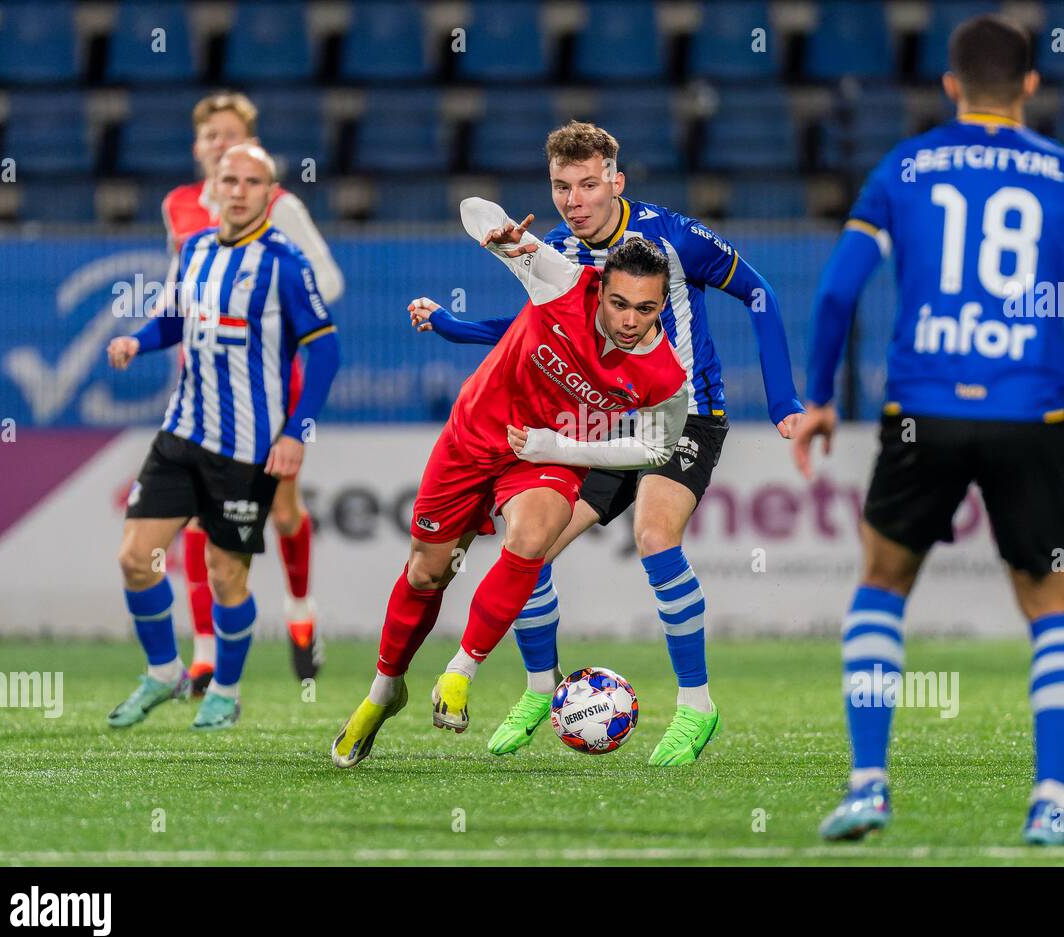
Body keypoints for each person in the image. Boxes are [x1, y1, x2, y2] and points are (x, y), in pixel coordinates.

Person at [792, 14, 1064, 845]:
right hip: (1030, 415)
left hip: (923, 413)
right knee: (1054, 608)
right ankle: (1050, 805)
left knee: (882, 587)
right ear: (1032, 85)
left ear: (952, 86)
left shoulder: (905, 166)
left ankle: (867, 789)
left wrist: (818, 398)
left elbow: (835, 296)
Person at [409, 122, 804, 766]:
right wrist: (451, 325)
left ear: (615, 182)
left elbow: (760, 292)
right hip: (602, 420)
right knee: (526, 545)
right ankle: (541, 690)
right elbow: (525, 331)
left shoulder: (671, 238)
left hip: (683, 417)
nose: (574, 200)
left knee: (654, 534)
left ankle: (696, 706)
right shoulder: (561, 251)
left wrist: (783, 397)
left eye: (589, 184)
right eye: (562, 187)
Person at [330, 199, 689, 768]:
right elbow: (473, 208)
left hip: (544, 454)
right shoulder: (563, 282)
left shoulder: (665, 379)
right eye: (618, 303)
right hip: (474, 434)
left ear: (660, 305)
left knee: (531, 538)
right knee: (428, 572)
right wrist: (495, 233)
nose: (627, 320)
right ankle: (384, 691)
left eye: (644, 309)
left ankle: (460, 670)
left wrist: (558, 448)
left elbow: (655, 448)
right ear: (601, 289)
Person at [106, 144, 340, 731]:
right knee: (137, 558)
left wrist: (296, 431)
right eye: (228, 179)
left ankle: (227, 690)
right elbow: (174, 318)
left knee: (225, 573)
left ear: (269, 194)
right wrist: (139, 340)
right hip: (180, 432)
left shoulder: (285, 264)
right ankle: (164, 672)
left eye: (251, 181)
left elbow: (327, 351)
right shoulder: (195, 250)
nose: (237, 190)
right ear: (213, 187)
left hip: (248, 449)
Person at [158, 91, 344, 686]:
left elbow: (329, 281)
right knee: (193, 515)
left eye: (233, 136)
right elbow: (178, 286)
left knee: (282, 509)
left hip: (265, 380)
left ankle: (299, 611)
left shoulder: (279, 205)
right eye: (212, 137)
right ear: (198, 147)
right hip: (201, 383)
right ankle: (206, 652)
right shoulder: (180, 206)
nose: (221, 146)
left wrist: (275, 311)